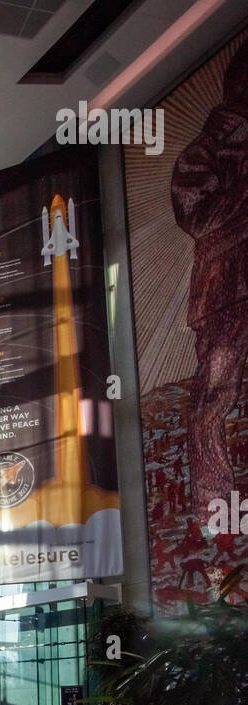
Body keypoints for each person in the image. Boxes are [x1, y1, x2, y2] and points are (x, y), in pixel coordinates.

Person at [171, 38, 248, 520]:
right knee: (215, 394)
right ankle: (213, 505)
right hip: (223, 292)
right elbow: (194, 215)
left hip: (223, 293)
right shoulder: (209, 146)